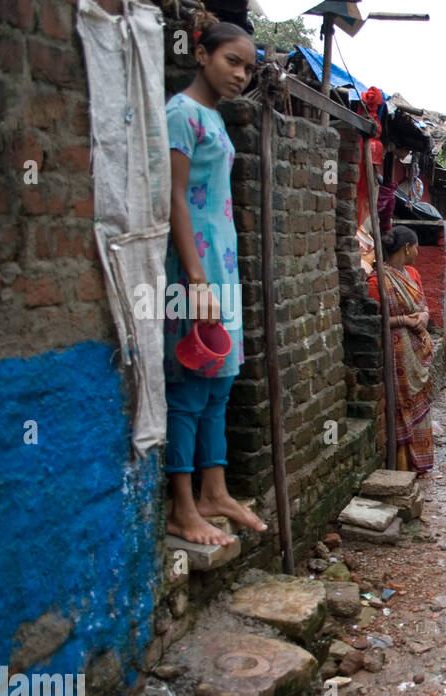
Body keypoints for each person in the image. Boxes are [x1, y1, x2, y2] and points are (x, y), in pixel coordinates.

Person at [164, 12, 265, 547]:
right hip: (193, 266)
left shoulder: (216, 119)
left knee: (221, 378)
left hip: (222, 265)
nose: (240, 75)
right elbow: (174, 197)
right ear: (201, 55)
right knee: (189, 382)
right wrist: (196, 279)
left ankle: (215, 490)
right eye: (232, 61)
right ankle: (183, 506)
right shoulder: (181, 114)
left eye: (248, 69)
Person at [367, 226, 436, 474]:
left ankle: (421, 461)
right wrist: (405, 321)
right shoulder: (377, 281)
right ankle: (403, 465)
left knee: (419, 403)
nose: (418, 252)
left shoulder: (413, 274)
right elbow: (376, 320)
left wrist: (424, 317)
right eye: (417, 247)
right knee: (400, 407)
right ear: (407, 248)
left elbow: (424, 305)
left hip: (417, 352)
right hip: (396, 352)